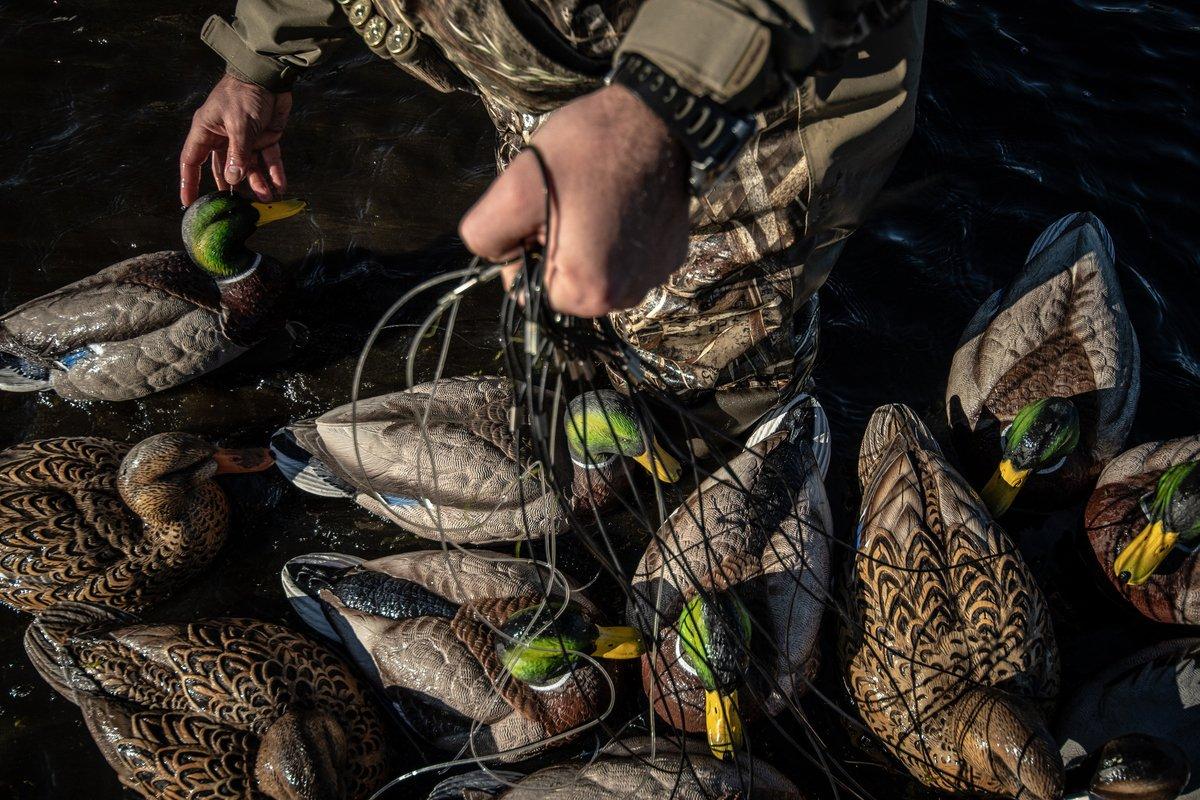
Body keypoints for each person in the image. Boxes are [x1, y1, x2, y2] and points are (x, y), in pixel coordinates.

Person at [181, 0, 925, 424]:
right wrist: (261, 50)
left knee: (716, 344)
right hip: (547, 78)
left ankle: (716, 457)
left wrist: (658, 110)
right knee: (563, 297)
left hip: (750, 94)